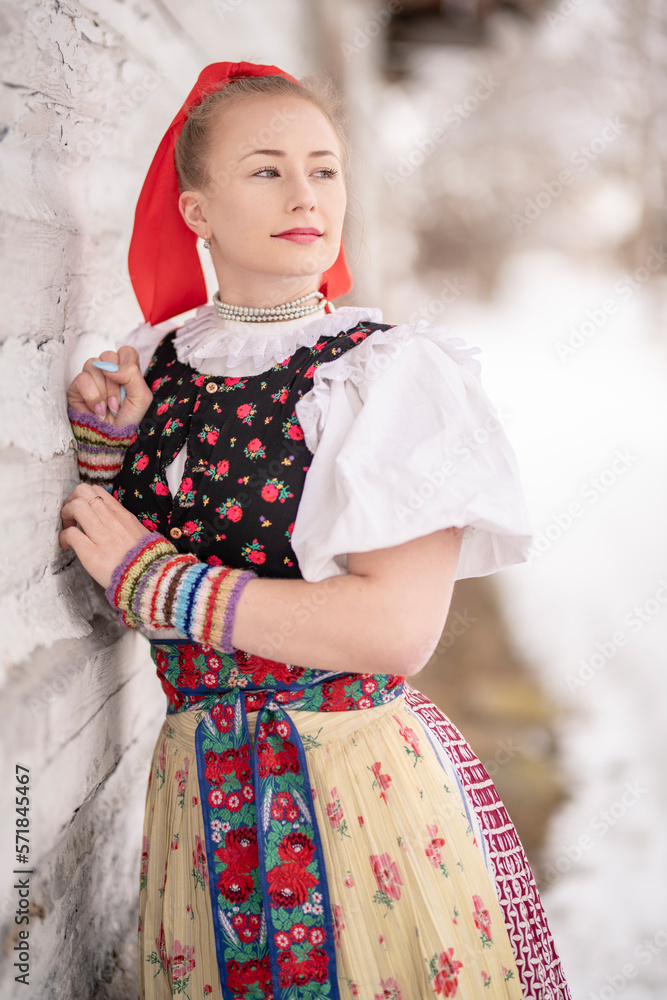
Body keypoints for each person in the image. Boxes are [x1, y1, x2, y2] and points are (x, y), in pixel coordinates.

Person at [60, 62, 571, 1000]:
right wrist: (112, 454)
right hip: (196, 802)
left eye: (324, 169)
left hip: (349, 793)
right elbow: (132, 591)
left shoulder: (387, 375)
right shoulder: (161, 366)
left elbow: (394, 631)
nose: (305, 195)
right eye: (266, 170)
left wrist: (157, 579)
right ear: (197, 209)